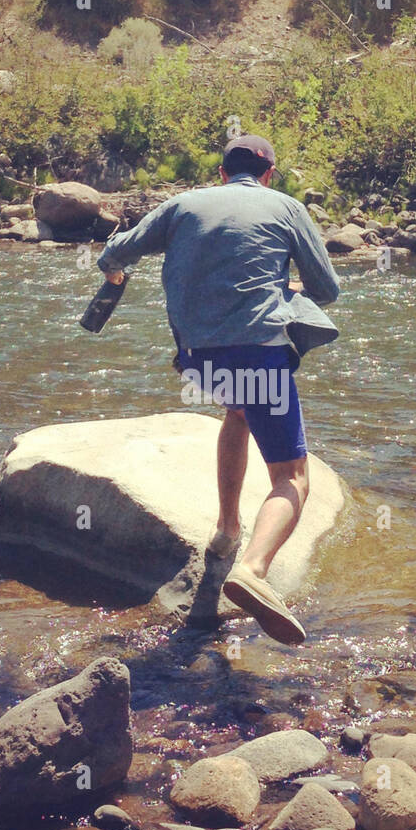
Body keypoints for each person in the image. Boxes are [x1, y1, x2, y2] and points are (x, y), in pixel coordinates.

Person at [96, 134, 341, 645]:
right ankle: (251, 570)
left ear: (223, 172)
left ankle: (227, 532)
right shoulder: (286, 207)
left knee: (239, 411)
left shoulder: (182, 205)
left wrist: (116, 273)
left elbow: (113, 255)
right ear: (268, 174)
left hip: (198, 359)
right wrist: (284, 287)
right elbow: (327, 290)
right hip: (259, 353)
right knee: (293, 477)